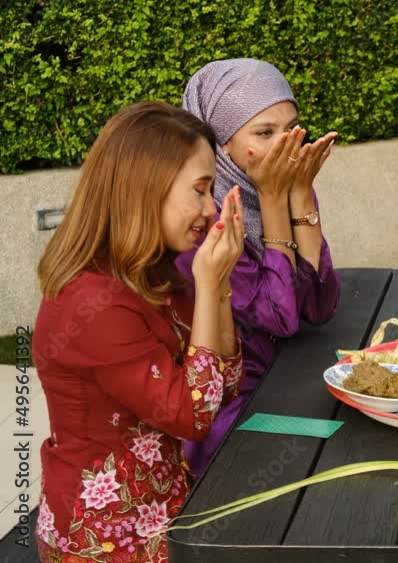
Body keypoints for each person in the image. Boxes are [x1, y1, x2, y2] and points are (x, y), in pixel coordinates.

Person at [33, 102, 245, 562]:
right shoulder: (91, 302)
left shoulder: (152, 273)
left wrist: (219, 287)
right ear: (146, 187)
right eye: (200, 190)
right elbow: (192, 416)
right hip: (105, 538)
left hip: (163, 510)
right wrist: (210, 287)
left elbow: (223, 387)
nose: (210, 210)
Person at [179, 58, 342, 475]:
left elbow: (319, 307)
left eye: (290, 130)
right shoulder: (202, 218)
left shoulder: (280, 185)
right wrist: (273, 203)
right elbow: (281, 317)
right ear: (219, 143)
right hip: (230, 413)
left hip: (285, 382)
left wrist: (301, 195)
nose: (283, 146)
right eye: (265, 133)